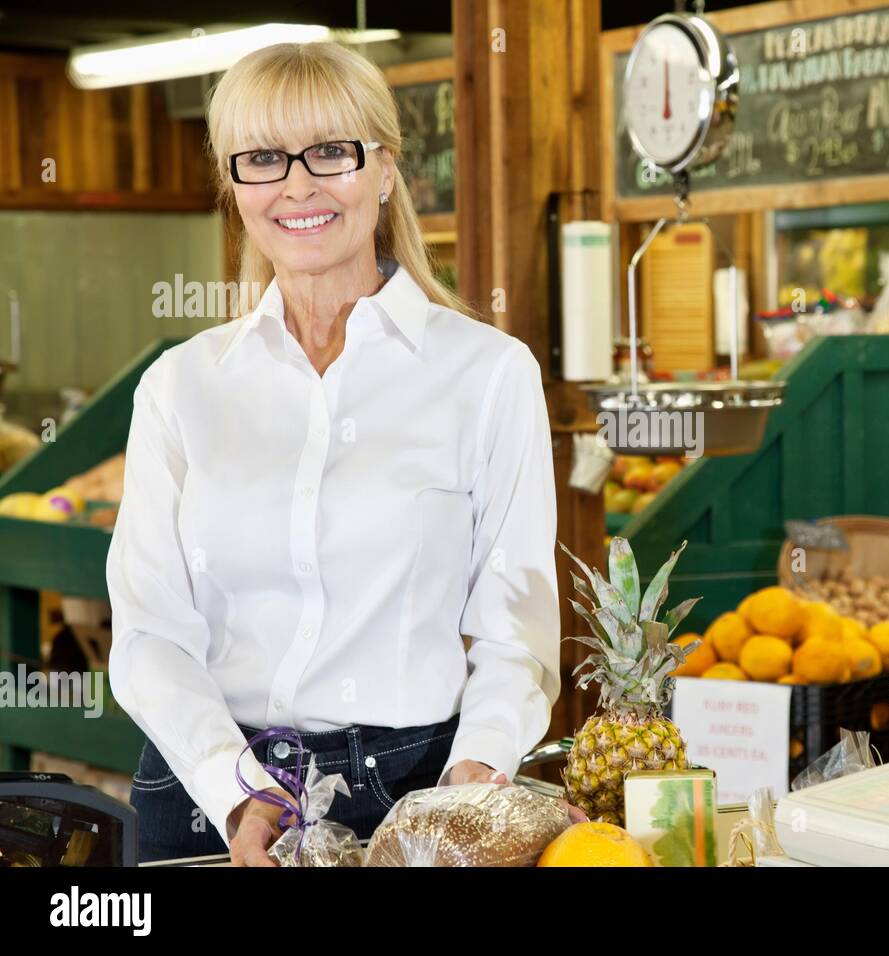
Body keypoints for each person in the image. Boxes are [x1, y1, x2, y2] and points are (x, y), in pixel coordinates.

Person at [107, 41, 562, 865]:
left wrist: (477, 772)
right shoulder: (179, 388)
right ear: (234, 185)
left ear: (385, 169)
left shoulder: (489, 374)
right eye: (262, 159)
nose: (297, 185)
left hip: (408, 786)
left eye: (330, 152)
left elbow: (514, 630)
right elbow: (149, 634)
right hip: (205, 790)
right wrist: (235, 787)